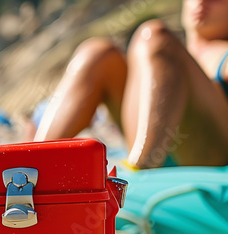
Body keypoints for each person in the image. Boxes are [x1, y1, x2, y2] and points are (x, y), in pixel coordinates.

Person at [34, 0, 228, 169]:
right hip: (151, 142)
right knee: (99, 53)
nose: (201, 2)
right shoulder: (165, 60)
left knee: (154, 36)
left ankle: (141, 167)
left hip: (205, 158)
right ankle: (27, 163)